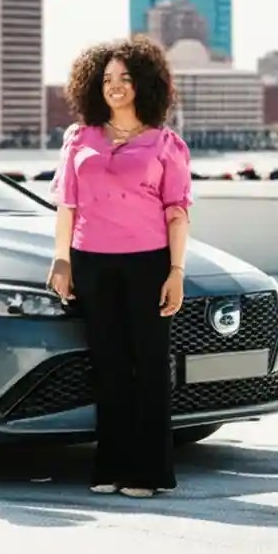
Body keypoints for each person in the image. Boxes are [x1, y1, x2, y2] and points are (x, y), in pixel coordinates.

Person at [45, 35, 192, 498]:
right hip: (91, 262)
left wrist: (176, 272)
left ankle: (149, 472)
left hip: (147, 264)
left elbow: (177, 212)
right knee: (106, 366)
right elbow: (66, 205)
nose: (115, 86)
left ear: (144, 84)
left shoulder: (166, 144)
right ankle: (109, 467)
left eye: (125, 78)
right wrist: (62, 260)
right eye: (107, 78)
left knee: (148, 367)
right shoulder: (79, 139)